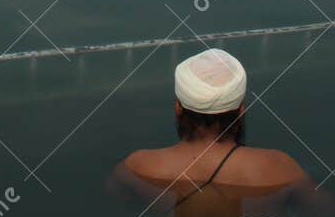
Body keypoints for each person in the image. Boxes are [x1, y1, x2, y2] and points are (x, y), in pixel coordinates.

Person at [118, 49, 314, 203]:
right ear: (241, 112)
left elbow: (116, 200)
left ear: (179, 108)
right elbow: (325, 210)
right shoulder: (280, 167)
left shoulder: (139, 166)